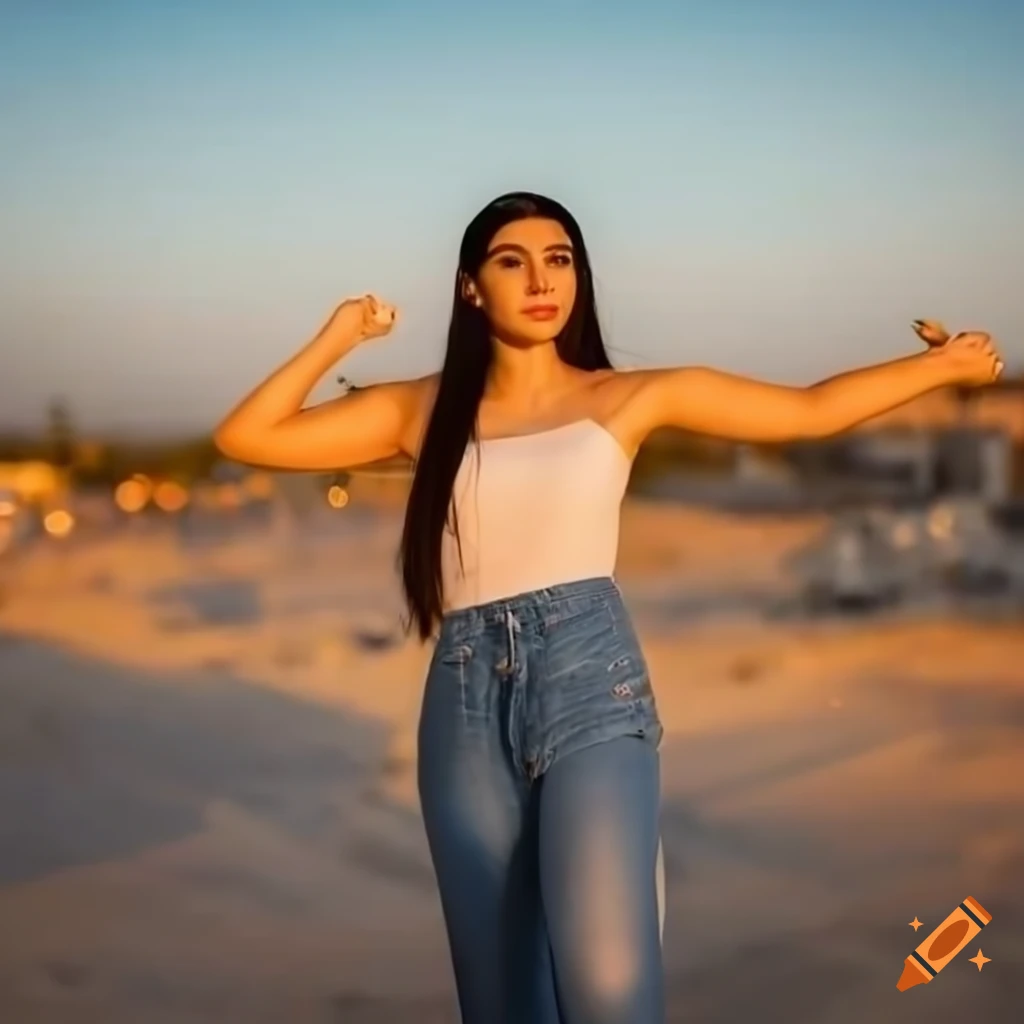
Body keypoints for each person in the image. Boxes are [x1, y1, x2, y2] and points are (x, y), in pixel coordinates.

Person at [213, 191, 1004, 1023]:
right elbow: (249, 436)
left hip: (592, 683)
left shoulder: (625, 397)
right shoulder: (423, 408)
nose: (540, 279)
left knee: (610, 990)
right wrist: (340, 337)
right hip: (464, 701)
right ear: (470, 288)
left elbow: (806, 412)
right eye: (511, 261)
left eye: (559, 260)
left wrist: (939, 369)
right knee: (505, 1003)